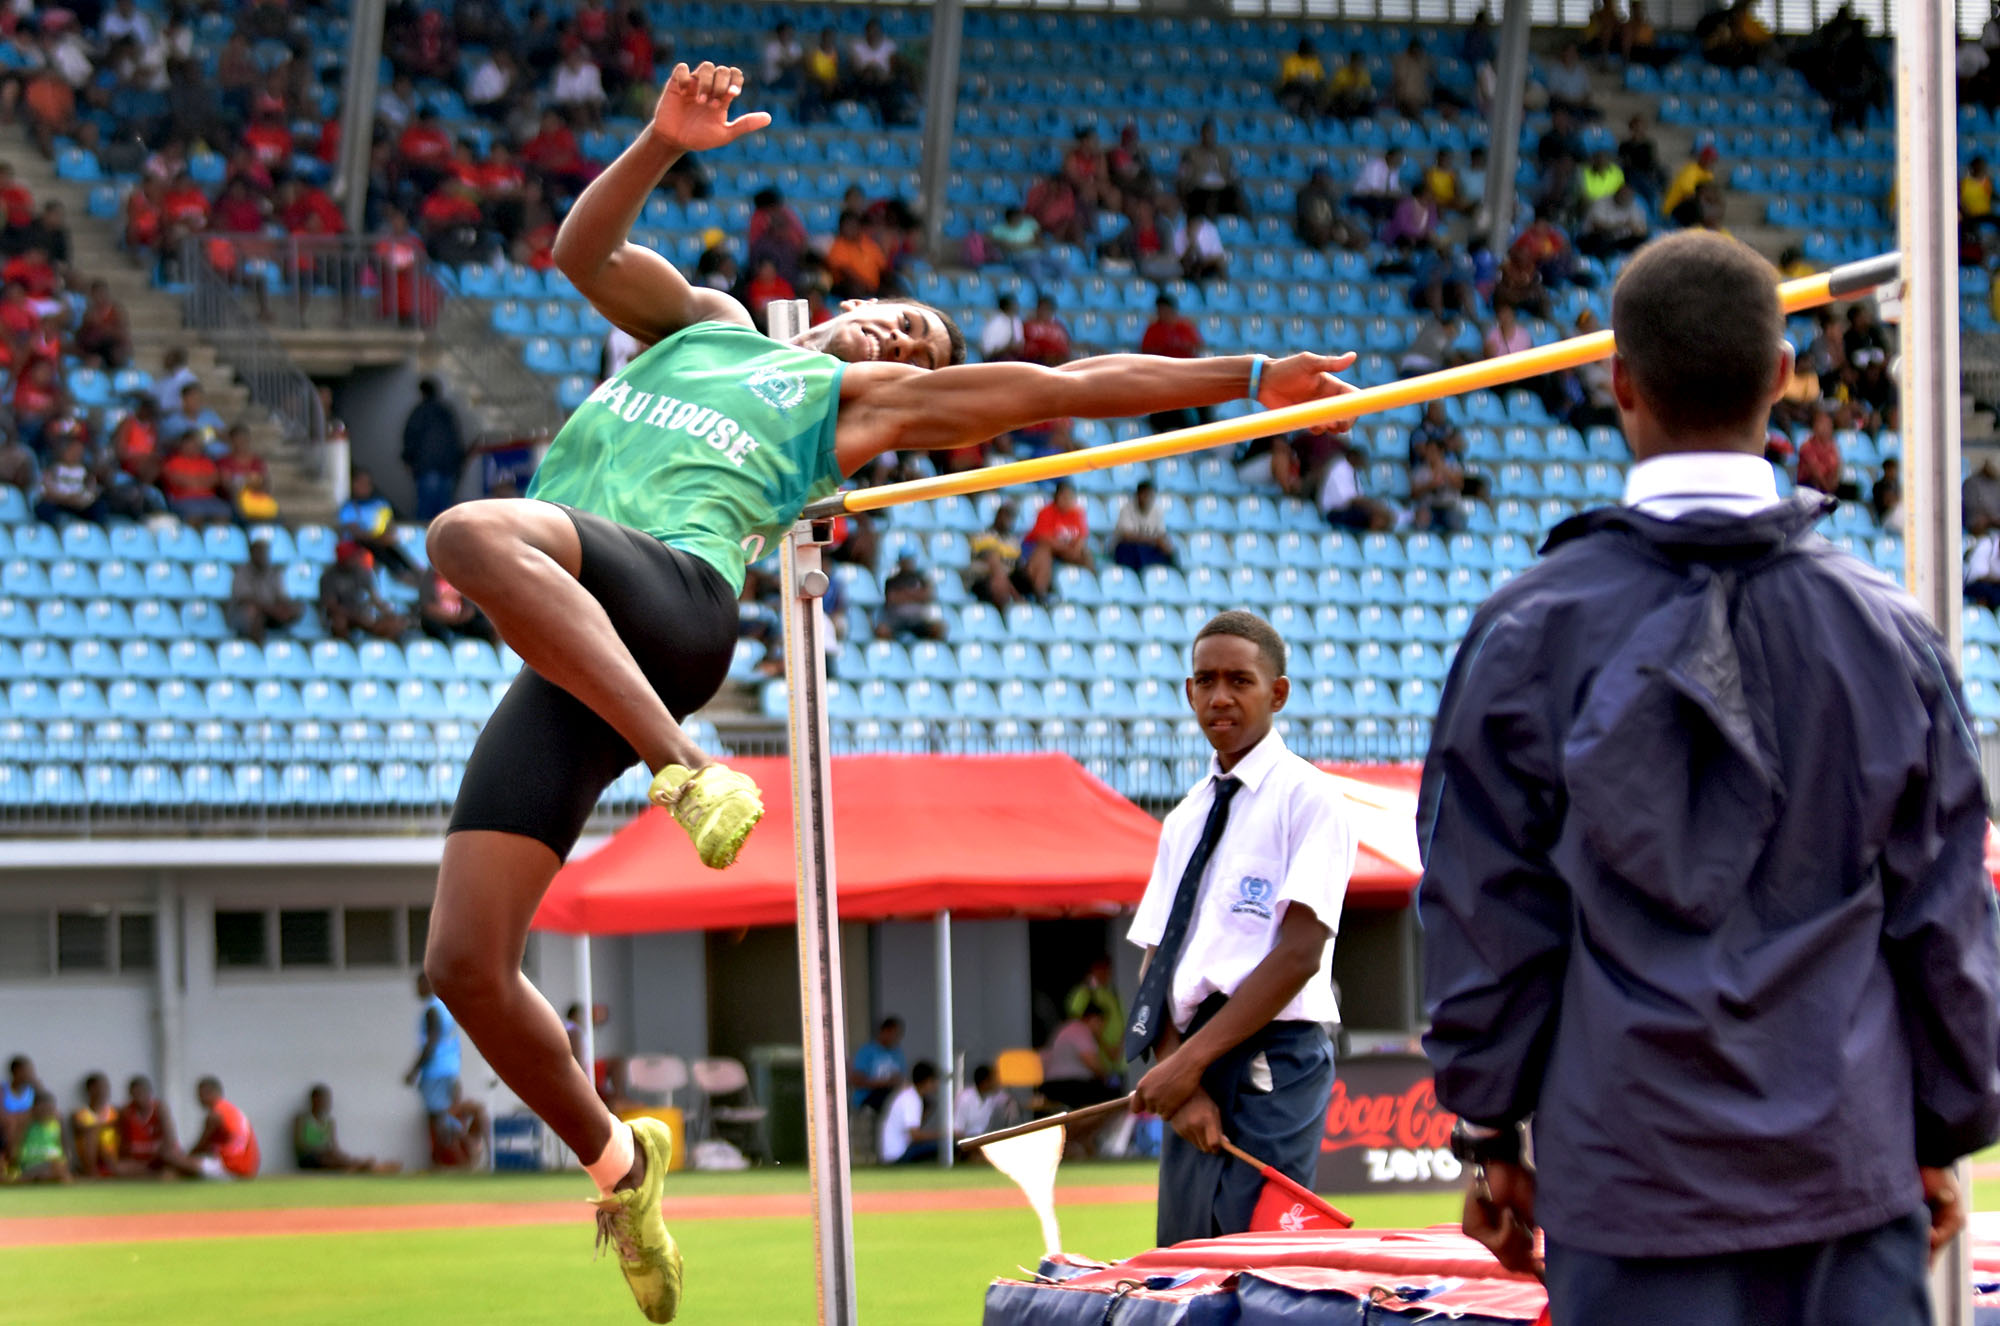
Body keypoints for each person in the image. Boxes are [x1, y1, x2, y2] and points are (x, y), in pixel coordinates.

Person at [415, 65, 1357, 1324]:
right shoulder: (707, 323)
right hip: (579, 640)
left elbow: (1069, 388)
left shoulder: (848, 406)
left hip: (677, 608)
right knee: (465, 964)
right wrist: (657, 140)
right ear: (854, 300)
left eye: (923, 351)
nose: (905, 342)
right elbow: (582, 248)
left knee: (470, 536)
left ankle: (685, 768)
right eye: (902, 320)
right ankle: (619, 1163)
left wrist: (1244, 378)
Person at [1419, 231, 2000, 1324]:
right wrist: (1936, 1132)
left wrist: (1486, 1133)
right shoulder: (1890, 635)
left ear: (1617, 385)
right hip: (1843, 1172)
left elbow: (1480, 911)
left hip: (1626, 1179)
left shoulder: (1520, 634)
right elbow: (1943, 911)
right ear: (1783, 379)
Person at [1126, 611, 1354, 1245]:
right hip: (1192, 1055)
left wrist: (1186, 1065)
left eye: (1239, 680)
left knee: (1252, 1258)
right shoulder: (1183, 817)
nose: (1220, 696)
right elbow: (1158, 960)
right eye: (1205, 680)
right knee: (1183, 1255)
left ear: (1276, 693)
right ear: (1188, 691)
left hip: (1272, 1050)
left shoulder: (1311, 798)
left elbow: (1301, 953)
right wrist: (1177, 1072)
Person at [405, 972, 465, 1152]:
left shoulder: (431, 1010)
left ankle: (450, 1157)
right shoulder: (445, 1008)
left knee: (437, 1116)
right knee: (448, 1113)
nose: (417, 989)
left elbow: (431, 1041)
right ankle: (462, 1153)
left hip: (435, 1070)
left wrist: (414, 1070)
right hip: (451, 1067)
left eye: (420, 984)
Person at [295, 1085, 400, 1173]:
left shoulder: (329, 1122)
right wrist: (321, 1151)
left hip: (326, 1156)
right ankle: (364, 1166)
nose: (324, 1103)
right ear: (313, 1100)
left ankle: (360, 1165)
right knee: (327, 1160)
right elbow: (300, 1145)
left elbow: (334, 1146)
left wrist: (341, 1156)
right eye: (321, 1099)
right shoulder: (302, 1119)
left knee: (338, 1159)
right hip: (310, 1158)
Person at [173, 1077, 260, 1180]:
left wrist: (183, 1158)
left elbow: (202, 1145)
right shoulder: (230, 1110)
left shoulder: (214, 1116)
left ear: (209, 1093)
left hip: (231, 1167)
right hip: (248, 1166)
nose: (198, 1098)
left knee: (175, 1160)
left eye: (200, 1094)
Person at [319, 542, 409, 642]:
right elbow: (332, 607)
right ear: (344, 558)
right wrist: (357, 617)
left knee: (393, 624)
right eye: (353, 556)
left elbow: (375, 598)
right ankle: (345, 649)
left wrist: (387, 611)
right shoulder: (329, 576)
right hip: (344, 615)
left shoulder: (363, 572)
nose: (357, 558)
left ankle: (379, 651)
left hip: (363, 613)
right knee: (339, 623)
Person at [403, 378, 465, 521]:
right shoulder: (446, 412)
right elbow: (455, 438)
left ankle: (426, 541)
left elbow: (410, 438)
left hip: (427, 467)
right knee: (445, 513)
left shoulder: (419, 413)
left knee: (426, 513)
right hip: (448, 468)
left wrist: (407, 459)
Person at [1141, 297, 1204, 432]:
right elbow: (1146, 352)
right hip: (1162, 377)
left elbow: (1197, 347)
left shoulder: (1185, 327)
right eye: (1160, 310)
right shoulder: (1153, 329)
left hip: (1186, 375)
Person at [1041, 1008, 1118, 1112]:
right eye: (1101, 1024)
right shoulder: (1081, 1030)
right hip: (1068, 1084)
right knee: (1113, 1100)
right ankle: (1075, 1127)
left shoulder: (1067, 1028)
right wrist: (1107, 1077)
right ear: (1094, 1019)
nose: (1101, 1029)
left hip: (1054, 1084)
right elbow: (1092, 1063)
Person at [229, 538, 302, 645]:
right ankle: (257, 650)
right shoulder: (242, 572)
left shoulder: (274, 571)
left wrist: (283, 607)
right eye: (258, 552)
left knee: (296, 607)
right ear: (251, 553)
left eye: (264, 552)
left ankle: (287, 649)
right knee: (253, 612)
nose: (262, 556)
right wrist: (272, 610)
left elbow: (281, 596)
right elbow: (246, 599)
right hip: (246, 615)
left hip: (272, 612)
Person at [113, 1074, 180, 1177]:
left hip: (159, 1157)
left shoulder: (159, 1109)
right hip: (137, 1160)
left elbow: (170, 1138)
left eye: (142, 1092)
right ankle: (154, 1176)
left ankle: (157, 1175)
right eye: (135, 1093)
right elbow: (122, 1143)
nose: (139, 1096)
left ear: (149, 1092)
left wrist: (159, 1153)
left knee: (171, 1157)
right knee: (119, 1169)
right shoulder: (125, 1112)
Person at [968, 501, 1033, 608]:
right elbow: (991, 562)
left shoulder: (1013, 541)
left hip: (1008, 578)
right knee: (996, 566)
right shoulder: (984, 536)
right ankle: (1015, 601)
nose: (1007, 520)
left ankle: (1041, 601)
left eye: (1010, 517)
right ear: (998, 516)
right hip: (984, 579)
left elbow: (1017, 565)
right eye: (1005, 515)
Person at [878, 1060, 940, 1165]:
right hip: (897, 1155)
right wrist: (944, 1134)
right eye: (934, 1081)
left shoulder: (910, 1095)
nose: (937, 1085)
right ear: (927, 1081)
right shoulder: (912, 1099)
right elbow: (915, 1136)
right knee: (943, 1145)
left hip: (895, 1152)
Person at [874, 554, 944, 642]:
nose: (907, 563)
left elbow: (927, 596)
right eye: (905, 559)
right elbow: (891, 598)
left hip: (918, 620)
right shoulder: (892, 580)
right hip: (896, 621)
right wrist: (915, 596)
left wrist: (904, 594)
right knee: (882, 631)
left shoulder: (920, 578)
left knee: (938, 628)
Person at [1111, 481, 1175, 572]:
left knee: (1168, 552)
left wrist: (1165, 545)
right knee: (1138, 551)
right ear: (1137, 495)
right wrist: (1154, 540)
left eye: (1150, 495)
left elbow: (1161, 534)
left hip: (1149, 548)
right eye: (1144, 495)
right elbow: (1127, 536)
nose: (1147, 498)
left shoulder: (1157, 510)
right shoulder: (1127, 509)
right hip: (1128, 548)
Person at [848, 1016, 907, 1113]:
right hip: (868, 1097)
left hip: (889, 1095)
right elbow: (856, 1080)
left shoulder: (897, 1053)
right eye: (894, 1034)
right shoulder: (867, 1051)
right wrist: (883, 1083)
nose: (896, 1039)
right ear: (885, 1031)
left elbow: (900, 1078)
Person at [70, 1072, 118, 1178]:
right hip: (90, 1157)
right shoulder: (79, 1114)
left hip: (111, 1156)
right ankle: (91, 1171)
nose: (103, 1091)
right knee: (91, 1133)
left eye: (106, 1087)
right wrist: (102, 1126)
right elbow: (79, 1128)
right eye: (99, 1087)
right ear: (90, 1089)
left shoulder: (114, 1113)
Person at [14, 1094, 69, 1183]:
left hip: (53, 1162)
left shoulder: (57, 1123)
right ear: (34, 1108)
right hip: (31, 1163)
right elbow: (16, 1145)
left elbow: (63, 1146)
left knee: (59, 1168)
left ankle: (38, 1178)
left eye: (49, 1108)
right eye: (42, 1108)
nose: (45, 1111)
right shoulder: (26, 1123)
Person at [954, 1064, 1013, 1139]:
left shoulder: (991, 1096)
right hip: (967, 1145)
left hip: (981, 1141)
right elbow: (957, 1131)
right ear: (985, 1082)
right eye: (995, 1079)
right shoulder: (965, 1099)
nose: (998, 1083)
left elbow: (1009, 1101)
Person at [978, 293, 1023, 362]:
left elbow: (1019, 345)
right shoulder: (994, 323)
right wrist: (1006, 348)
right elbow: (987, 351)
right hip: (995, 361)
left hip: (1012, 359)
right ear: (1006, 307)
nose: (1016, 307)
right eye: (1013, 305)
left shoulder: (1016, 320)